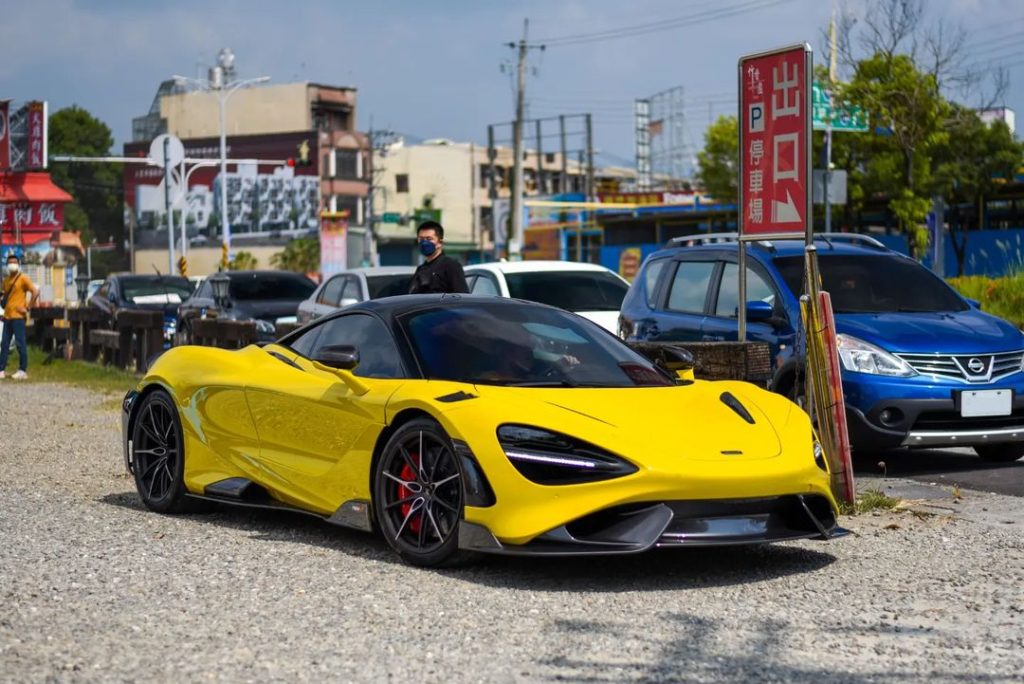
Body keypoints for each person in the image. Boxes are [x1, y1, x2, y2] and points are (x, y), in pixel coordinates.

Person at [0, 253, 39, 380]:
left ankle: (22, 370)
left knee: (20, 344)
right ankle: (1, 369)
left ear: (18, 264)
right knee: (4, 344)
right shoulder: (6, 281)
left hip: (18, 317)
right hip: (7, 317)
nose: (12, 264)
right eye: (10, 262)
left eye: (14, 262)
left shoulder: (23, 278)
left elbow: (35, 291)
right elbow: (5, 297)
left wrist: (27, 307)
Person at [408, 221, 469, 294]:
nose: (424, 243)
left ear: (440, 243)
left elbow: (462, 296)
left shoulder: (451, 266)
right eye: (421, 239)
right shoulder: (421, 269)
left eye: (429, 239)